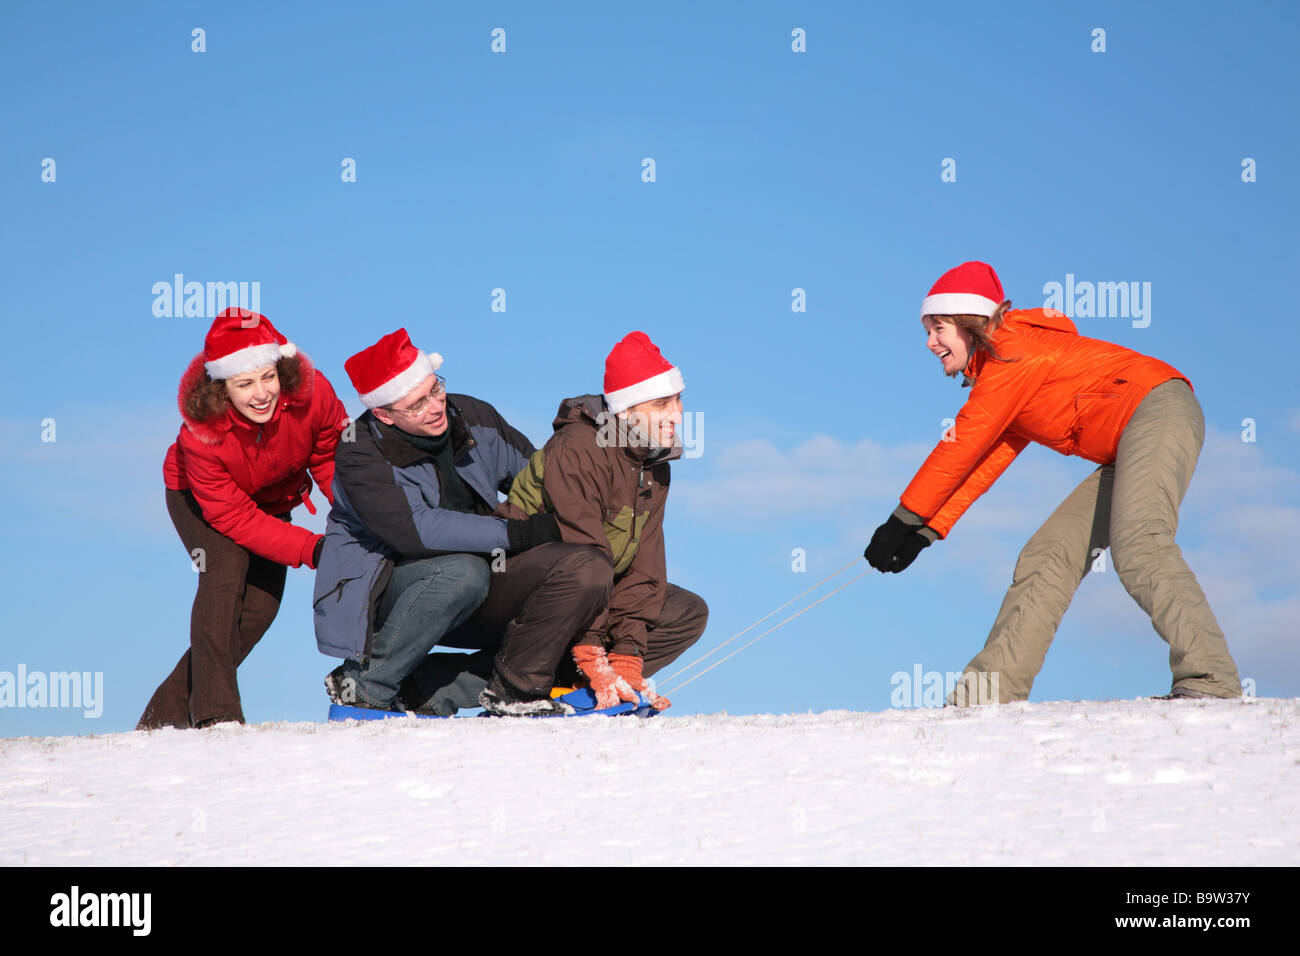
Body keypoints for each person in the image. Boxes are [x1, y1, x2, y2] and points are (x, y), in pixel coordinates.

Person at [863, 261, 1242, 704]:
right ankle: (988, 695)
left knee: (1139, 541)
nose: (930, 342)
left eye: (939, 328)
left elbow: (961, 444)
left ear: (970, 322)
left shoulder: (1014, 352)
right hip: (1129, 438)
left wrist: (902, 518)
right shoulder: (1002, 374)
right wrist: (925, 530)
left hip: (1157, 410)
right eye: (927, 331)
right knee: (1048, 554)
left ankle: (1210, 679)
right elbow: (984, 461)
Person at [314, 329, 562, 715]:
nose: (434, 407)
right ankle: (364, 684)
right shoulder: (358, 452)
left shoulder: (474, 416)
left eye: (435, 390)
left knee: (581, 584)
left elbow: (539, 478)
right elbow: (418, 531)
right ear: (383, 414)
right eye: (416, 405)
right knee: (461, 573)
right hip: (388, 593)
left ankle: (431, 688)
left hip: (479, 578)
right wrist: (515, 533)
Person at [138, 309, 348, 729]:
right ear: (221, 387)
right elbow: (234, 517)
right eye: (244, 383)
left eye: (267, 377)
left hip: (271, 499)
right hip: (199, 498)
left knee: (259, 611)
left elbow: (330, 457)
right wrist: (311, 548)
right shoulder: (202, 433)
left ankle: (163, 719)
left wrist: (356, 520)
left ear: (281, 368)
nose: (261, 394)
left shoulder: (314, 393)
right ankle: (217, 715)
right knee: (226, 568)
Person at [480, 330, 709, 715]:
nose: (677, 413)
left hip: (588, 583)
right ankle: (516, 690)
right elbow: (584, 550)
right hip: (511, 582)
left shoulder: (653, 463)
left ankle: (572, 688)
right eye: (661, 403)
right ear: (627, 412)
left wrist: (628, 656)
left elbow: (645, 565)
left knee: (686, 611)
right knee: (589, 567)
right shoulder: (579, 448)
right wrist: (592, 649)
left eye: (678, 399)